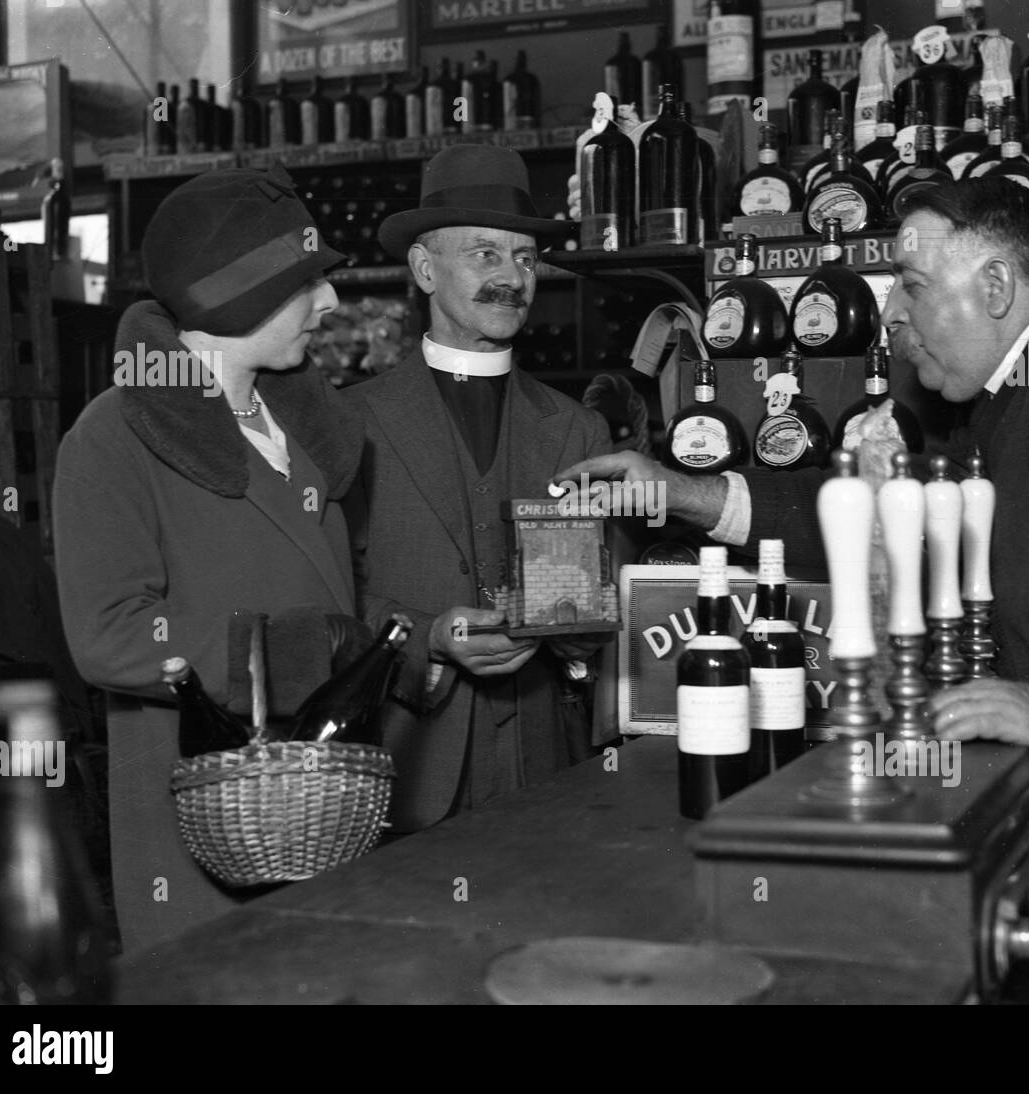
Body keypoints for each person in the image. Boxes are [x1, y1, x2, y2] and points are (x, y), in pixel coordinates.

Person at [559, 178, 1029, 1002]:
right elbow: (884, 521)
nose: (895, 320)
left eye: (916, 290)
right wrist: (684, 491)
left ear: (996, 286)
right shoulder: (1015, 396)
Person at [53, 165, 364, 951]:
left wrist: (415, 645)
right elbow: (110, 633)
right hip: (199, 825)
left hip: (321, 811)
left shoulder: (301, 430)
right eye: (306, 283)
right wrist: (279, 657)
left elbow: (330, 606)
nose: (329, 302)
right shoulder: (112, 436)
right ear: (240, 295)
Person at [342, 144, 613, 834]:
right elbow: (325, 594)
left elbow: (609, 607)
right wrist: (427, 637)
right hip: (407, 771)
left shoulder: (578, 430)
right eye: (485, 255)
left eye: (524, 258)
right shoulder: (352, 423)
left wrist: (583, 637)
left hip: (551, 769)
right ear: (425, 269)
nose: (512, 278)